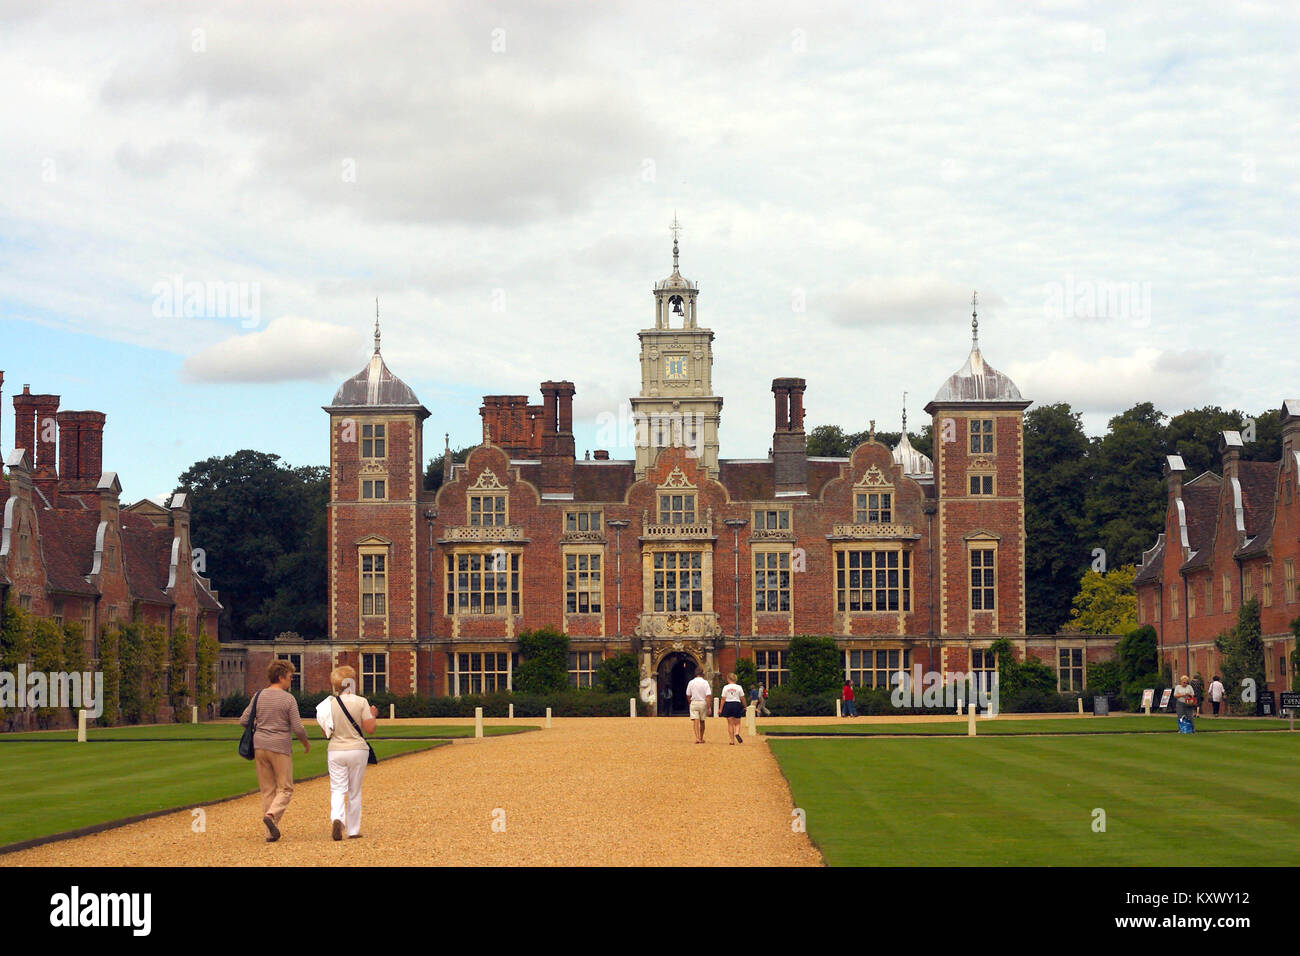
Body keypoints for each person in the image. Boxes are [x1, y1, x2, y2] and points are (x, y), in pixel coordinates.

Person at [239, 659, 310, 842]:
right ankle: (271, 816)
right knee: (285, 788)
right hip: (279, 746)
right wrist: (305, 743)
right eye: (289, 676)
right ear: (280, 677)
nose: (291, 680)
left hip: (259, 746)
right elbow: (298, 727)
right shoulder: (288, 699)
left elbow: (243, 720)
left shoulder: (259, 695)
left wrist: (261, 726)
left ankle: (270, 833)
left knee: (267, 790)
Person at [316, 666, 377, 841]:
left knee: (337, 789)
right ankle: (353, 830)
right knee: (354, 791)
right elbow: (369, 728)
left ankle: (337, 818)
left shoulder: (328, 705)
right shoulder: (361, 702)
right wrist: (373, 714)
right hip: (357, 749)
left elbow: (325, 732)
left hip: (336, 750)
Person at [686, 668, 712, 744]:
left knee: (695, 721)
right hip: (702, 702)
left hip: (694, 702)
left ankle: (697, 738)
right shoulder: (705, 683)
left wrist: (690, 702)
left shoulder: (691, 682)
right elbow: (708, 696)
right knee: (702, 721)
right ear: (702, 673)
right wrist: (709, 707)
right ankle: (701, 737)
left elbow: (688, 694)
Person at [720, 673, 746, 744]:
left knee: (730, 724)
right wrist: (745, 706)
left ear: (728, 679)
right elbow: (742, 698)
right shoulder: (739, 687)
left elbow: (723, 699)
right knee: (737, 723)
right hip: (736, 704)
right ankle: (737, 733)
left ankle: (732, 740)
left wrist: (720, 709)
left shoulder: (725, 687)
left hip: (728, 704)